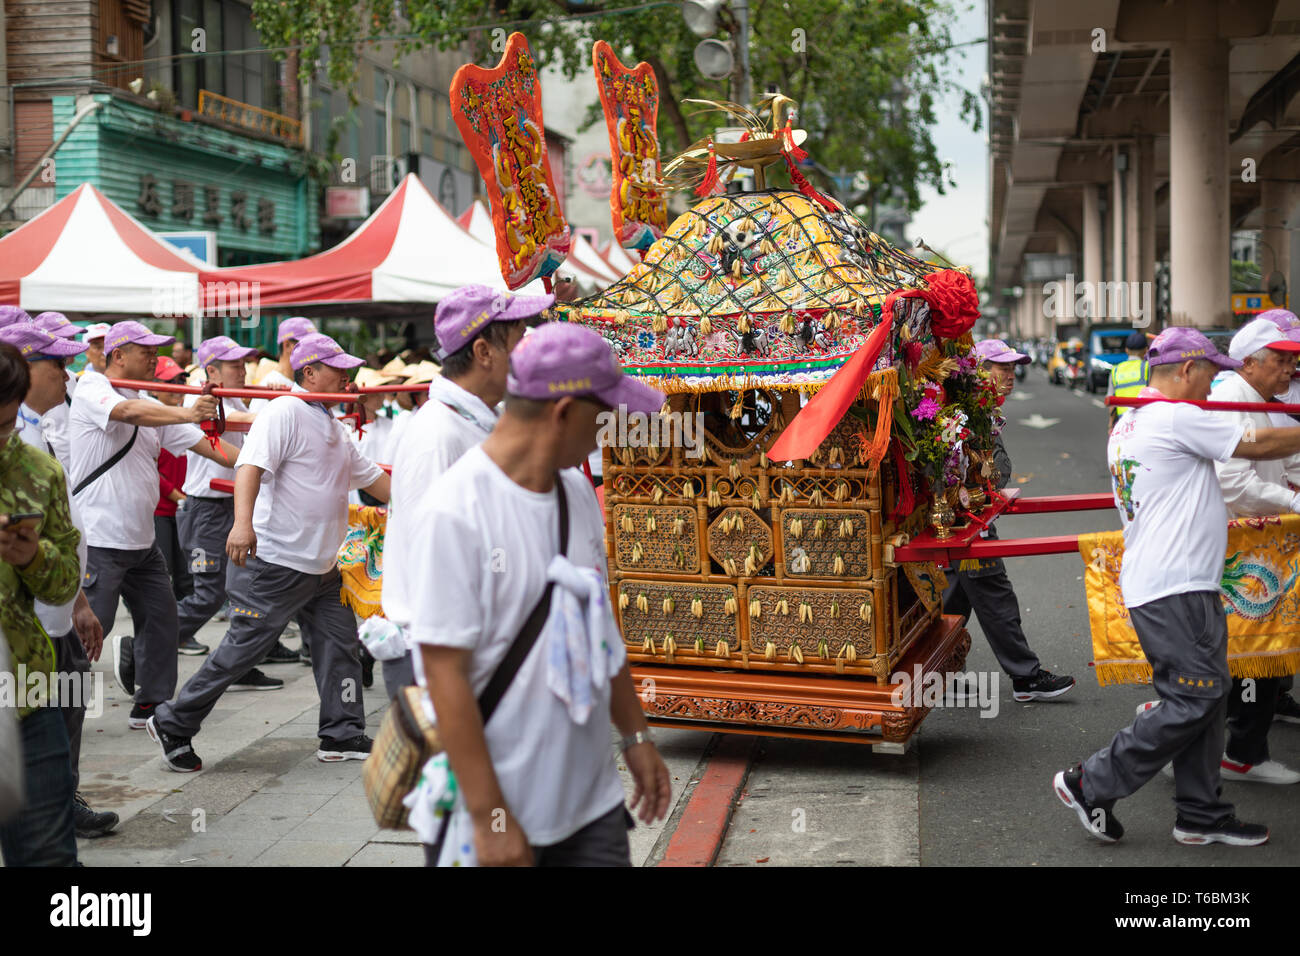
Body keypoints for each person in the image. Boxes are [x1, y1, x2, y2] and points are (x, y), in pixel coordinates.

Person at [406, 322, 672, 867]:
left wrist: (636, 735)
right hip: (499, 813)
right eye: (605, 414)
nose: (608, 430)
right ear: (564, 413)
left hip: (593, 807)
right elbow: (444, 676)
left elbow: (598, 627)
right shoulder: (455, 511)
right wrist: (491, 818)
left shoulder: (574, 490)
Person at [1055, 327, 1300, 847]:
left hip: (1176, 582)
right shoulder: (1173, 415)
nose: (1213, 388)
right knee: (1196, 697)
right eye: (1210, 375)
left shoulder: (1133, 419)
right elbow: (1255, 443)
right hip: (1175, 586)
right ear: (1187, 369)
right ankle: (1090, 782)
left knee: (1206, 698)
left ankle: (1200, 814)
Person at [148, 333, 391, 771]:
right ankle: (173, 720)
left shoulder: (332, 424)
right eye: (339, 369)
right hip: (276, 562)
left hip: (323, 566)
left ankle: (342, 732)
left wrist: (425, 497)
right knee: (242, 650)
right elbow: (249, 467)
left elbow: (372, 478)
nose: (348, 376)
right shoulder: (284, 412)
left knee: (341, 647)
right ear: (310, 372)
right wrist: (242, 525)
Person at [68, 321, 240, 731]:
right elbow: (126, 412)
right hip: (101, 537)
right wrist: (188, 410)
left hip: (142, 541)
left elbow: (209, 446)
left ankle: (151, 704)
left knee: (163, 623)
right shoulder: (93, 386)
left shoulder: (148, 401)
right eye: (145, 350)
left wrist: (264, 467)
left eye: (155, 350)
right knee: (86, 633)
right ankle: (57, 714)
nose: (154, 357)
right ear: (118, 355)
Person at [381, 285, 538, 699]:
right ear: (484, 352)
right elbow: (431, 562)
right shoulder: (438, 435)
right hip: (442, 654)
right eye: (519, 341)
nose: (527, 354)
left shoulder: (477, 420)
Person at [2, 325, 118, 840]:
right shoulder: (20, 436)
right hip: (29, 632)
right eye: (57, 365)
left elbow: (58, 537)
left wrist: (77, 601)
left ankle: (58, 803)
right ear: (24, 370)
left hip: (49, 622)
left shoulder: (34, 437)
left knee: (64, 713)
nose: (67, 376)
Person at [942, 339, 1075, 701]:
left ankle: (937, 678)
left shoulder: (979, 411)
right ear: (978, 372)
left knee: (951, 601)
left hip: (964, 521)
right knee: (994, 594)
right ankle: (1026, 677)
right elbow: (990, 473)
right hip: (966, 523)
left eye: (1013, 368)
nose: (1011, 375)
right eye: (1002, 368)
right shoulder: (964, 415)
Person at [0, 341, 83, 865]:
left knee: (48, 855)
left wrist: (34, 557)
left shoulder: (38, 471)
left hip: (26, 690)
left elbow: (64, 583)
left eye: (5, 425)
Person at [1207, 317, 1300, 782]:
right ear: (1249, 362)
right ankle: (1240, 753)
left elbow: (1289, 462)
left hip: (1259, 542)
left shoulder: (1262, 400)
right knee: (1252, 653)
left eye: (1293, 360)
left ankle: (1188, 726)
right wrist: (1295, 502)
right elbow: (1235, 486)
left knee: (1249, 652)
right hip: (1240, 545)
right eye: (1281, 360)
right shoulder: (1231, 399)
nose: (1290, 369)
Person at [175, 335, 295, 670]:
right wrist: (281, 404)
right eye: (234, 365)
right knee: (208, 595)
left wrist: (274, 399)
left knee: (248, 589)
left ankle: (245, 661)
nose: (242, 371)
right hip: (207, 510)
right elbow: (249, 431)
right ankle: (145, 643)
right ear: (212, 370)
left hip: (235, 506)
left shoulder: (233, 399)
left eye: (243, 364)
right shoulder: (201, 400)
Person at [150, 356, 195, 604]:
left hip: (185, 509)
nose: (177, 387)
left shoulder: (189, 417)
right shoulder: (150, 421)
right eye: (170, 382)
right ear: (154, 387)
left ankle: (182, 624)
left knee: (186, 574)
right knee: (163, 571)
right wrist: (177, 496)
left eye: (180, 381)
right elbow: (150, 470)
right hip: (161, 510)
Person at [248, 316, 317, 412]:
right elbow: (256, 419)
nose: (313, 349)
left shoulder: (304, 382)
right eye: (306, 344)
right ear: (287, 345)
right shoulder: (271, 385)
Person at [1106, 330, 1149, 430]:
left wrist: (1111, 424)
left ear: (1126, 350)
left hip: (1123, 425)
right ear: (1146, 350)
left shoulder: (1115, 370)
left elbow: (1112, 401)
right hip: (1144, 422)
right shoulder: (1148, 367)